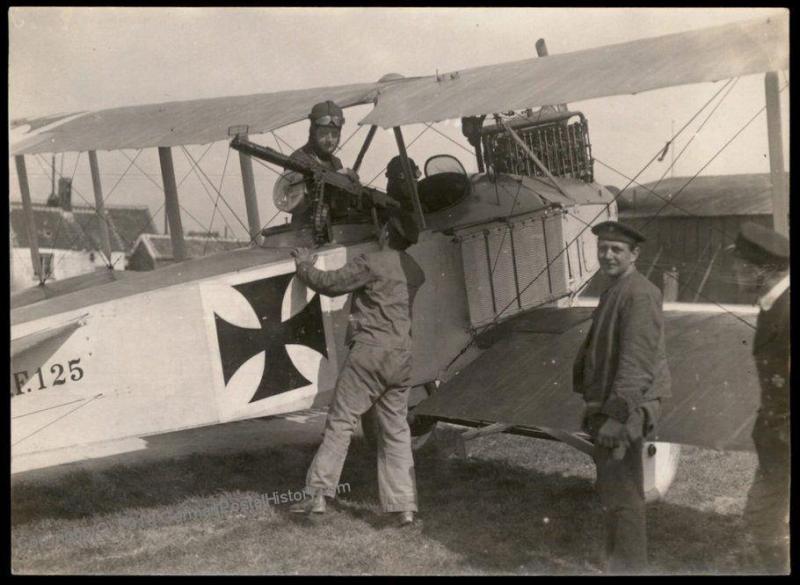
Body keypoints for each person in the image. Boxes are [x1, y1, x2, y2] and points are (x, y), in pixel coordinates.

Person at [289, 210, 425, 526]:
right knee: (396, 430)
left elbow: (330, 284)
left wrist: (304, 265)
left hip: (370, 353)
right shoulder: (414, 270)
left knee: (341, 420)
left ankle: (317, 495)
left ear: (388, 232)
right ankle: (404, 506)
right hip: (402, 355)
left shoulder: (371, 262)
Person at [572, 220, 671, 574]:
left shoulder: (639, 293)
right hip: (612, 405)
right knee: (614, 491)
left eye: (617, 249)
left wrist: (615, 416)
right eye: (603, 248)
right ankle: (617, 563)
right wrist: (593, 404)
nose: (608, 255)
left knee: (624, 494)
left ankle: (629, 568)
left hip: (627, 408)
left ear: (635, 254)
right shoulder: (616, 289)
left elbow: (637, 364)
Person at [730, 221, 790, 574]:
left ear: (761, 269)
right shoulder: (774, 304)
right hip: (777, 442)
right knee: (762, 521)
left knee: (763, 522)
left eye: (739, 264)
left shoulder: (786, 309)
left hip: (784, 441)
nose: (735, 271)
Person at [289, 100, 359, 226]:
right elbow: (298, 201)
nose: (329, 140)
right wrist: (334, 178)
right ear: (312, 132)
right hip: (305, 231)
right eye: (323, 133)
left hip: (334, 228)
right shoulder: (298, 159)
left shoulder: (335, 162)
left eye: (335, 134)